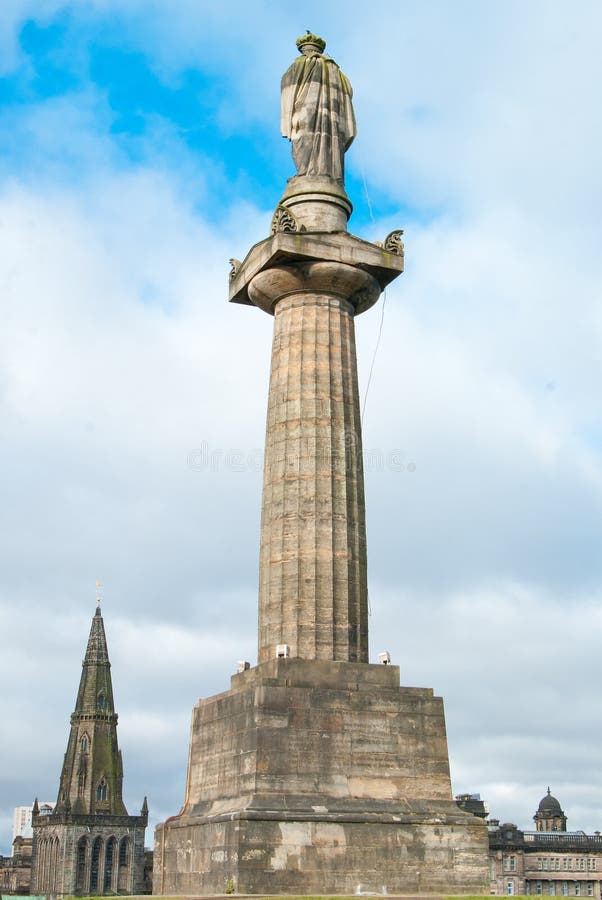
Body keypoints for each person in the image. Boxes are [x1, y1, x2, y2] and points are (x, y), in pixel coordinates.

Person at [281, 33, 357, 183]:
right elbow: (347, 93)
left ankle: (306, 173)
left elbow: (288, 89)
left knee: (304, 138)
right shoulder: (337, 72)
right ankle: (326, 174)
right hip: (332, 121)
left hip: (306, 112)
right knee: (330, 143)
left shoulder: (298, 65)